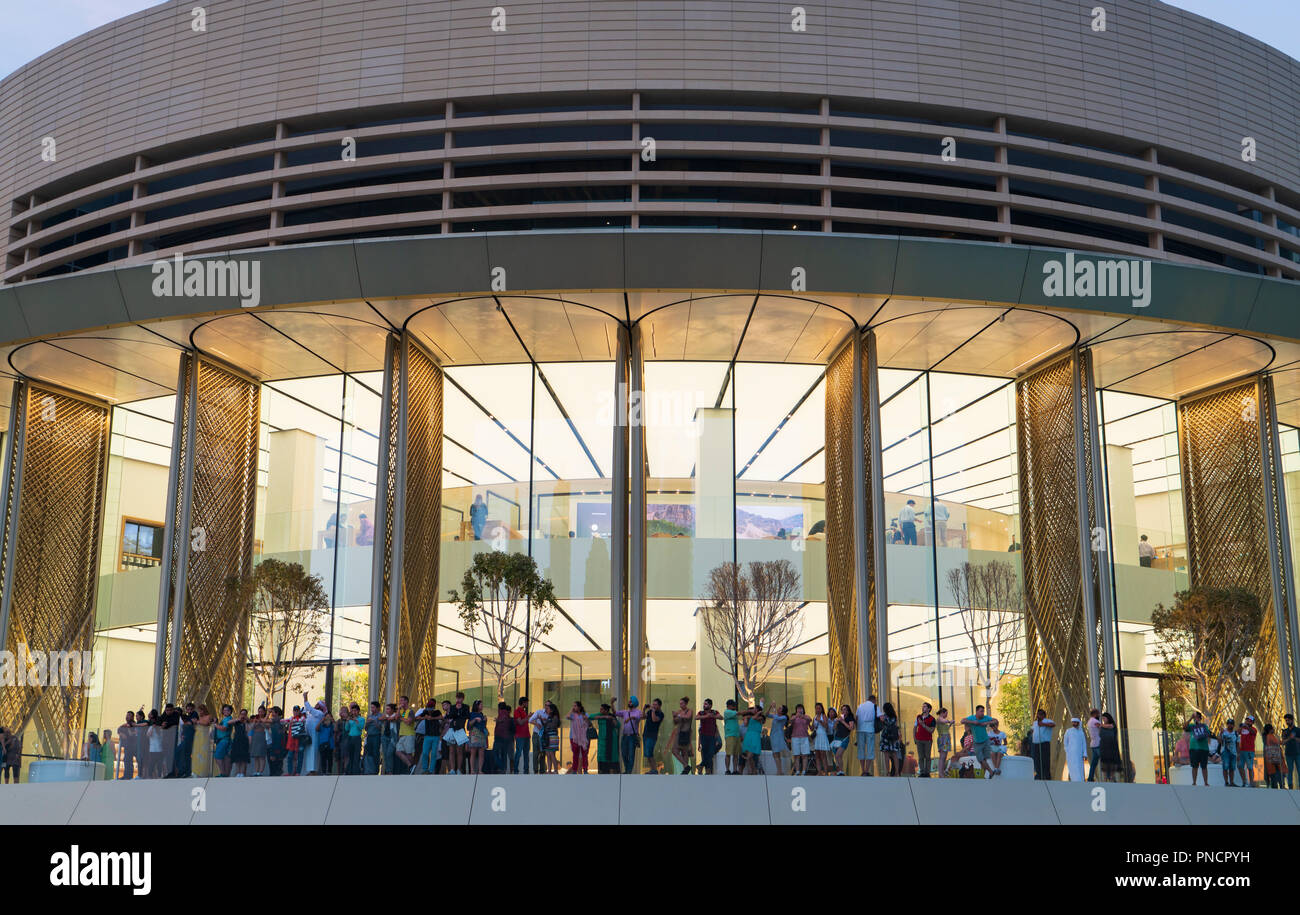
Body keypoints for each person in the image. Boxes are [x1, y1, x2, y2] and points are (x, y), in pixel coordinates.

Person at [616, 696, 642, 775]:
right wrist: (612, 703)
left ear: (634, 703)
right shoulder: (625, 712)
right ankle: (627, 770)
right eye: (629, 701)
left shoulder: (638, 711)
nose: (629, 702)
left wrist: (631, 718)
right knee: (624, 753)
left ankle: (628, 771)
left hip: (632, 736)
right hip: (625, 736)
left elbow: (638, 717)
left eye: (630, 701)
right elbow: (615, 713)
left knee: (631, 754)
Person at [446, 692, 471, 774]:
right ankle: (452, 769)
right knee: (451, 750)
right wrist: (456, 709)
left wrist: (460, 710)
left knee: (460, 750)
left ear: (463, 699)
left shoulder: (466, 707)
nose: (458, 700)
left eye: (460, 698)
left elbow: (467, 716)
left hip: (460, 730)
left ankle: (459, 769)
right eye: (457, 698)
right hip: (452, 729)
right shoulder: (452, 707)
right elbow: (450, 716)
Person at [1184, 711, 1211, 786]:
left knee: (1204, 766)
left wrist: (1202, 726)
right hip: (1193, 748)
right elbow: (1185, 727)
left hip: (1203, 748)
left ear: (1199, 718)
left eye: (1196, 717)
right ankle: (1194, 782)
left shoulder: (1204, 726)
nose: (1195, 718)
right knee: (1194, 766)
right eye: (1194, 717)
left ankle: (1205, 782)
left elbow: (1208, 733)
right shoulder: (1192, 725)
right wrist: (1190, 718)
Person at [301, 695, 326, 776]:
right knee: (308, 753)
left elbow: (309, 709)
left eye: (317, 704)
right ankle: (309, 770)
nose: (316, 705)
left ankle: (313, 770)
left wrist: (305, 698)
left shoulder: (319, 713)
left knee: (313, 752)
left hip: (315, 736)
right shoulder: (311, 714)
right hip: (309, 736)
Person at [415, 699, 442, 774]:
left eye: (431, 708)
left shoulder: (437, 712)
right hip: (427, 736)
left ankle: (431, 769)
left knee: (433, 754)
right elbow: (417, 718)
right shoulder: (425, 712)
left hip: (436, 736)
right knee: (425, 753)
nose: (429, 709)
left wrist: (432, 718)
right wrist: (425, 717)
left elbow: (441, 717)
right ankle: (425, 769)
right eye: (428, 707)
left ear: (433, 707)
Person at [696, 699, 721, 774]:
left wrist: (713, 716)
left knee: (710, 753)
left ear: (710, 705)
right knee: (705, 754)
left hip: (712, 737)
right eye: (704, 704)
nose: (704, 705)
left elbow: (721, 717)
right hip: (703, 736)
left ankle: (701, 766)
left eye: (706, 704)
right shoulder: (701, 713)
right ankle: (706, 771)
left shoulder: (714, 712)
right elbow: (696, 717)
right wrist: (706, 716)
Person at [855, 693, 877, 776]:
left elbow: (856, 718)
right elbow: (881, 717)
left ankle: (863, 770)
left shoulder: (860, 706)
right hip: (870, 729)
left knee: (861, 749)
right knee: (870, 750)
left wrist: (857, 728)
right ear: (874, 700)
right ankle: (866, 771)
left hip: (860, 730)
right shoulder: (874, 706)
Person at [1030, 709, 1055, 780]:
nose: (1038, 716)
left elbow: (1053, 725)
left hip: (1044, 743)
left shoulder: (1047, 721)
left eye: (1040, 714)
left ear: (1043, 715)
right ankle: (1039, 775)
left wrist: (1043, 724)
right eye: (1038, 714)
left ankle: (1046, 776)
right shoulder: (1035, 723)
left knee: (1045, 760)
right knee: (1037, 760)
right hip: (1036, 744)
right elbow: (1032, 730)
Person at [878, 703, 902, 776]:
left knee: (886, 755)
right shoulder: (894, 717)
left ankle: (888, 772)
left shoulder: (884, 717)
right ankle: (897, 772)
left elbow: (882, 724)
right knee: (895, 755)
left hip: (886, 737)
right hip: (894, 737)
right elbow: (896, 726)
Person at [671, 697, 694, 774]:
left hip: (686, 733)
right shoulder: (679, 712)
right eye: (680, 703)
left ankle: (686, 769)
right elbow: (675, 722)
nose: (680, 705)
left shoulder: (689, 711)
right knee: (674, 750)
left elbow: (688, 717)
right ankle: (686, 765)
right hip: (679, 733)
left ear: (686, 703)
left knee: (685, 752)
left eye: (682, 703)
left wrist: (679, 715)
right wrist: (674, 716)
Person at [741, 703, 766, 775]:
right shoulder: (751, 716)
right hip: (749, 735)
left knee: (750, 755)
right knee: (749, 755)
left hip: (755, 735)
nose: (753, 710)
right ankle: (753, 770)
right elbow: (745, 722)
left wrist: (759, 713)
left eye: (755, 709)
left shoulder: (761, 718)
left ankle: (754, 770)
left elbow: (755, 718)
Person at [567, 701, 591, 774]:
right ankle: (574, 770)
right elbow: (567, 716)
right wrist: (571, 710)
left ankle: (585, 770)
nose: (574, 707)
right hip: (574, 737)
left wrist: (586, 719)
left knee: (584, 754)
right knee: (575, 754)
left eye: (575, 706)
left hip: (584, 737)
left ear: (579, 707)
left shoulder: (585, 714)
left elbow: (589, 724)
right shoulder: (573, 715)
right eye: (573, 706)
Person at [1098, 712, 1122, 782]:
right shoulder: (1102, 726)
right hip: (1104, 747)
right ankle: (1105, 779)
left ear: (1108, 718)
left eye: (1104, 718)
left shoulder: (1112, 725)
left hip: (1112, 747)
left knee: (1112, 762)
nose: (1103, 720)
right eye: (1102, 719)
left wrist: (1100, 725)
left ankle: (1112, 777)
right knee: (1104, 764)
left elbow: (1110, 726)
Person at [642, 698, 664, 774]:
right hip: (646, 734)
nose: (653, 706)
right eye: (653, 704)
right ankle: (653, 769)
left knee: (649, 752)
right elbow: (643, 717)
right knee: (647, 754)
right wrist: (644, 709)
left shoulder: (660, 714)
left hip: (652, 735)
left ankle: (654, 769)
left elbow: (654, 719)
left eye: (655, 704)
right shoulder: (650, 711)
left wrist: (653, 710)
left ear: (659, 705)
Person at [913, 703, 936, 777]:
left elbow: (931, 730)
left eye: (925, 706)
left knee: (927, 756)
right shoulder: (918, 717)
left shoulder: (932, 719)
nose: (923, 708)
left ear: (929, 709)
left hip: (927, 740)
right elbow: (915, 727)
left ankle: (927, 772)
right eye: (922, 706)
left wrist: (923, 725)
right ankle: (922, 771)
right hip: (919, 739)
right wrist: (914, 738)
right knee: (921, 756)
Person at [466, 700, 488, 774]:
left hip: (481, 734)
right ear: (477, 706)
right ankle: (472, 770)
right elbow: (468, 726)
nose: (482, 706)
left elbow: (484, 726)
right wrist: (475, 719)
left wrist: (485, 720)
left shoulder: (481, 714)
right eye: (480, 705)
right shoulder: (472, 714)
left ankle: (480, 770)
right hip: (474, 733)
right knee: (473, 752)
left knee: (481, 752)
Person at [723, 699, 743, 775]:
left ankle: (735, 770)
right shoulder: (727, 712)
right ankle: (727, 769)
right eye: (733, 705)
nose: (735, 706)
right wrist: (749, 711)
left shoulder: (733, 713)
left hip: (736, 735)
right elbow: (740, 713)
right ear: (729, 706)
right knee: (728, 753)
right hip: (730, 735)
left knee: (736, 754)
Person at [492, 701, 514, 774]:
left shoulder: (502, 713)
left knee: (495, 753)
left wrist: (498, 720)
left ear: (499, 708)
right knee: (504, 754)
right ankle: (503, 769)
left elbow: (502, 720)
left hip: (499, 736)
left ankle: (501, 767)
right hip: (507, 737)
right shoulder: (508, 715)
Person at [791, 704, 812, 776]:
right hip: (795, 737)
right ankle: (797, 771)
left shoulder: (805, 717)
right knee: (796, 755)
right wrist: (796, 716)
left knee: (804, 755)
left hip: (804, 737)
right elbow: (790, 721)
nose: (799, 710)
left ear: (803, 709)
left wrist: (802, 716)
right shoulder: (794, 717)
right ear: (796, 710)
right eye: (798, 708)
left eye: (801, 708)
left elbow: (810, 719)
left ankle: (803, 771)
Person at [768, 704, 789, 776]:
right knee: (775, 754)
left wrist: (774, 709)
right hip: (773, 735)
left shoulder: (784, 717)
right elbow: (767, 714)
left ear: (783, 711)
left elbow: (776, 718)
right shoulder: (776, 716)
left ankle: (779, 771)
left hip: (778, 736)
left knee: (776, 753)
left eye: (780, 708)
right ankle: (780, 770)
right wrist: (770, 707)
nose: (778, 709)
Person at [1063, 717, 1086, 782]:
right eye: (1073, 722)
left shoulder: (1081, 733)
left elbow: (1084, 744)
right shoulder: (1068, 731)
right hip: (1070, 753)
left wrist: (1085, 754)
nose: (1074, 723)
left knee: (1079, 767)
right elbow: (1065, 742)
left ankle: (1080, 781)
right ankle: (1073, 780)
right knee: (1072, 767)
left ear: (1078, 723)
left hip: (1079, 754)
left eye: (1075, 722)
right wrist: (1067, 750)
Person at [513, 697, 532, 774]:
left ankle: (526, 770)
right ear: (523, 702)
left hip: (526, 735)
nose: (527, 704)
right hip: (520, 736)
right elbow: (520, 722)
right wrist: (528, 716)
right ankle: (515, 770)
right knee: (518, 753)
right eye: (527, 702)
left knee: (526, 753)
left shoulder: (523, 711)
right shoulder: (517, 711)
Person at [812, 702, 832, 775]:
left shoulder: (823, 716)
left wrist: (820, 721)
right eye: (816, 708)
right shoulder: (814, 717)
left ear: (821, 709)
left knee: (823, 754)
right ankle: (819, 771)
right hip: (817, 736)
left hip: (822, 735)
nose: (817, 710)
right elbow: (812, 728)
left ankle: (826, 771)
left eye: (819, 708)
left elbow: (826, 726)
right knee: (817, 755)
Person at [1264, 723, 1286, 788]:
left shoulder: (1266, 737)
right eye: (1272, 728)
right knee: (1278, 772)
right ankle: (1280, 785)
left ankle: (1275, 785)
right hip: (1275, 758)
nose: (1273, 729)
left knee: (1274, 773)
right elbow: (1279, 742)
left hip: (1271, 758)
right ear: (1270, 729)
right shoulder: (1270, 736)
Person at [1238, 715, 1258, 787]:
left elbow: (1252, 732)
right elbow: (1237, 732)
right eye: (1247, 720)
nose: (1248, 721)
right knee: (1240, 766)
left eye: (1249, 721)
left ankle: (1252, 782)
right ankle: (1244, 781)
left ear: (1252, 722)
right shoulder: (1243, 729)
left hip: (1249, 751)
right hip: (1242, 750)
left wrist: (1247, 727)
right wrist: (1241, 727)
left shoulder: (1254, 729)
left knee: (1250, 767)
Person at [1219, 718, 1239, 786]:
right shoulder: (1223, 732)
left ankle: (1232, 782)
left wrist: (1238, 754)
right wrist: (1220, 734)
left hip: (1233, 753)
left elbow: (1237, 744)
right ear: (1227, 725)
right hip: (1225, 752)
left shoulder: (1236, 733)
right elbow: (1220, 742)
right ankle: (1226, 782)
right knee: (1225, 767)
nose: (1230, 725)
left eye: (1231, 724)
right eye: (1229, 724)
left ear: (1233, 725)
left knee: (1232, 768)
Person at [1282, 714, 1300, 789]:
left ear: (1292, 720)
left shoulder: (1298, 730)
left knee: (1299, 769)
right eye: (1286, 720)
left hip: (1298, 753)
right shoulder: (1285, 731)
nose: (1287, 722)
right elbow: (1283, 742)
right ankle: (1290, 785)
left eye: (1288, 720)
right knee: (1290, 770)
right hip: (1288, 753)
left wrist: (1294, 738)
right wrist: (1289, 738)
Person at [934, 707, 952, 776]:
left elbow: (946, 728)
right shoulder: (939, 719)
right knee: (942, 756)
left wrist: (950, 724)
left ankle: (942, 771)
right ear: (942, 713)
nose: (946, 715)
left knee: (944, 756)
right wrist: (949, 721)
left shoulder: (943, 720)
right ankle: (940, 772)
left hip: (946, 738)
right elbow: (943, 721)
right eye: (946, 713)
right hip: (943, 738)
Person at [1085, 709, 1102, 782]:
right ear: (1095, 714)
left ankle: (1090, 778)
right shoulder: (1095, 721)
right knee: (1105, 760)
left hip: (1093, 744)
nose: (1099, 715)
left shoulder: (1089, 721)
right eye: (1098, 714)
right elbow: (1101, 727)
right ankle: (1109, 777)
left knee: (1094, 763)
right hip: (1098, 744)